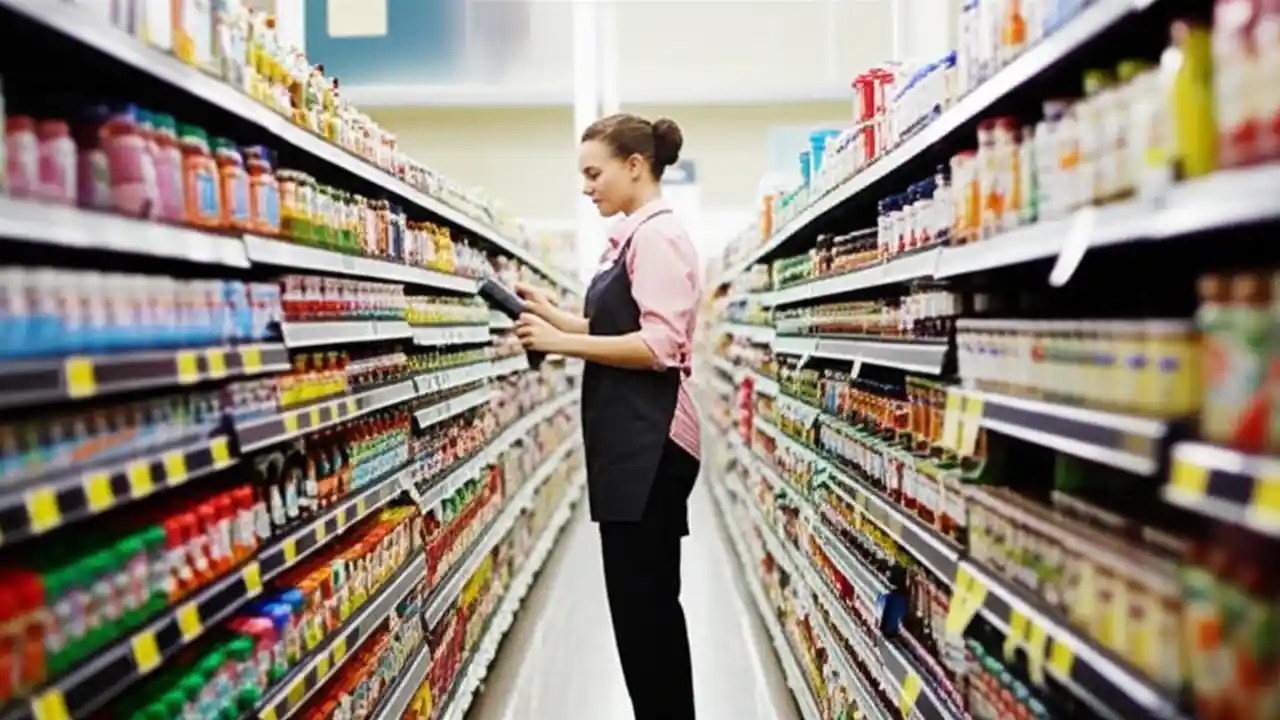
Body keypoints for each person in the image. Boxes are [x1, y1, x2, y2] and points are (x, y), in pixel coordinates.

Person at [513, 112, 701, 720]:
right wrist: (556, 316)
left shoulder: (658, 237)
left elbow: (658, 347)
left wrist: (559, 342)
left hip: (653, 444)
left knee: (646, 610)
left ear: (635, 166)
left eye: (594, 173)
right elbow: (614, 329)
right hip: (630, 443)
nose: (586, 186)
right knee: (635, 607)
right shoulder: (631, 237)